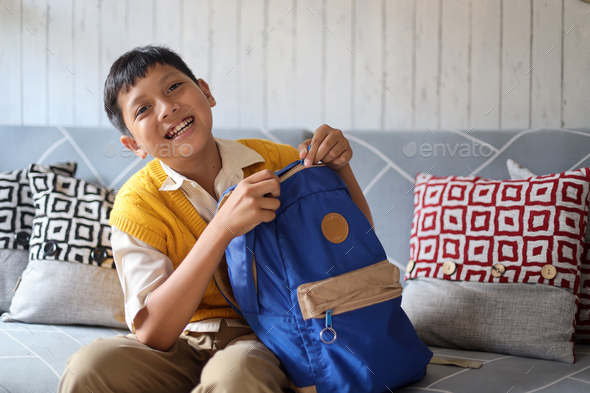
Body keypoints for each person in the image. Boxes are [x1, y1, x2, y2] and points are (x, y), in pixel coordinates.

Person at [58, 45, 373, 393]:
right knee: (89, 369)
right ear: (135, 145)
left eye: (174, 87)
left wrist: (340, 168)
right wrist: (222, 228)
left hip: (268, 339)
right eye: (144, 108)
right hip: (182, 342)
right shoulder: (137, 204)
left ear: (206, 92)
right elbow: (153, 333)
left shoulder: (277, 162)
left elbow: (357, 251)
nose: (167, 108)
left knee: (232, 375)